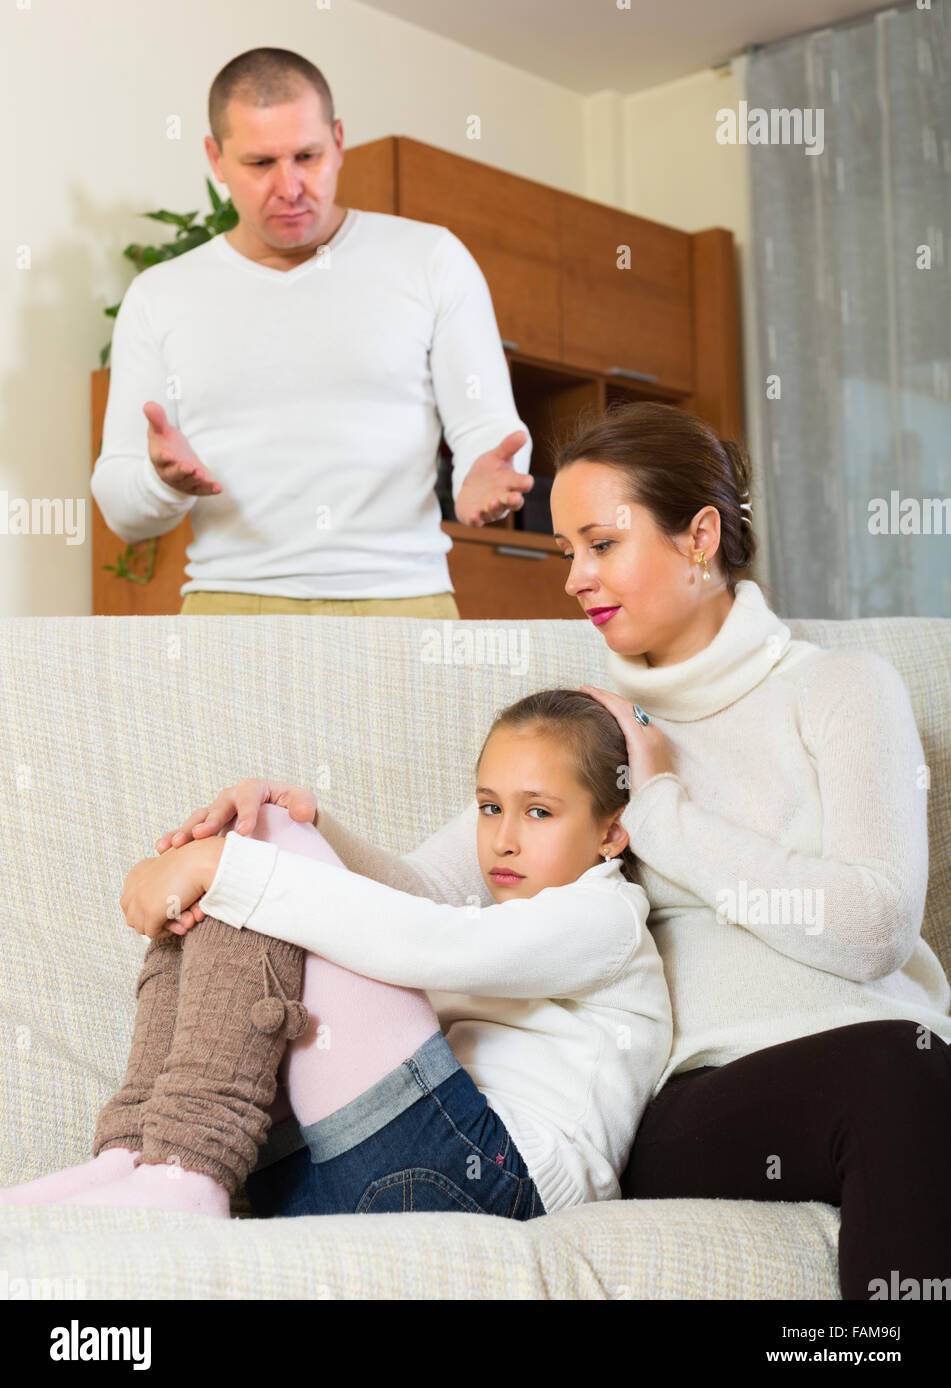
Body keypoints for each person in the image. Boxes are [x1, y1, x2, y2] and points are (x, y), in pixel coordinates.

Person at [140, 399, 951, 1299]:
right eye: (566, 549)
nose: (573, 578)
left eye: (600, 544)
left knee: (902, 1063)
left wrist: (662, 808)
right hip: (695, 1102)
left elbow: (874, 924)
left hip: (881, 1067)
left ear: (699, 537)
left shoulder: (841, 690)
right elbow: (441, 896)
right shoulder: (593, 728)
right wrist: (302, 826)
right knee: (900, 1073)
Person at [0, 690, 671, 1222]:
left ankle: (187, 1168)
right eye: (489, 808)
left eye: (539, 813)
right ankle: (140, 1153)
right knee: (263, 830)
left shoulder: (603, 917)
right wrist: (275, 833)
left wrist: (227, 864)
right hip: (354, 1177)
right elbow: (411, 899)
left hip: (490, 1184)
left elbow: (428, 942)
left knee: (256, 859)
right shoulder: (517, 904)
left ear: (611, 831)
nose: (501, 839)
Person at [90, 46, 533, 618]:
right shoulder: (160, 295)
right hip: (231, 606)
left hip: (403, 601)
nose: (290, 185)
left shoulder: (431, 259)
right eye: (260, 164)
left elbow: (491, 433)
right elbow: (122, 507)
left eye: (307, 155)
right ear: (215, 158)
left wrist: (486, 474)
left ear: (339, 140)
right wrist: (162, 481)